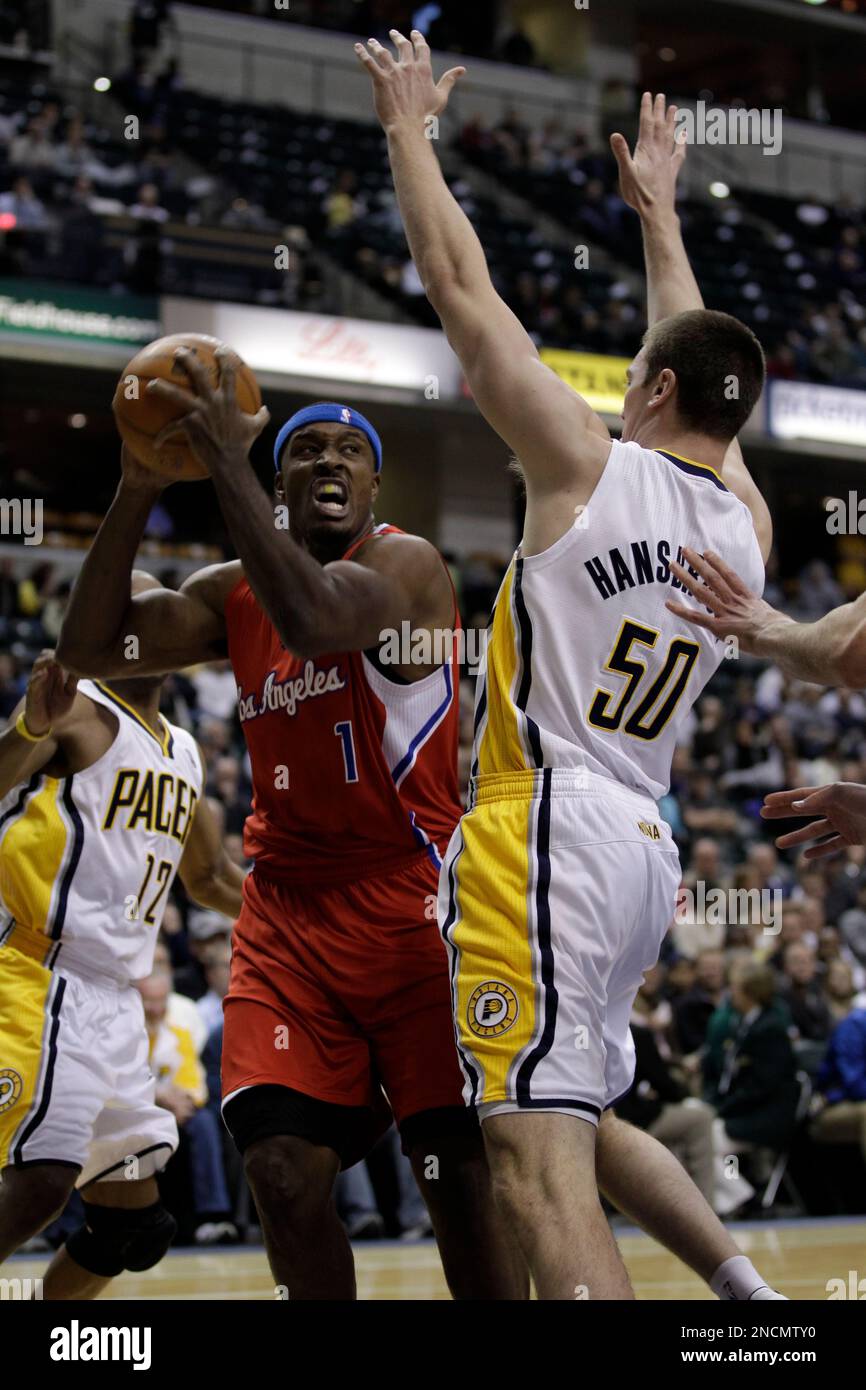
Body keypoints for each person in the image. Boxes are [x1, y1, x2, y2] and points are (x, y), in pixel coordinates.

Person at [356, 38, 783, 1299]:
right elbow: (695, 355)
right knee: (577, 1118)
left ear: (645, 389)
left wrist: (406, 134)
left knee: (531, 1169)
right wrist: (657, 218)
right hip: (638, 845)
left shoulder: (581, 462)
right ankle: (742, 1297)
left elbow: (455, 281)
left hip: (537, 824)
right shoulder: (747, 525)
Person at [56, 427, 524, 1301]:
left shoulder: (408, 566)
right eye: (306, 450)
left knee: (454, 1177)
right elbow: (87, 650)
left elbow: (313, 621)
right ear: (279, 483)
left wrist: (225, 464)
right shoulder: (231, 595)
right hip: (288, 916)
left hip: (411, 900)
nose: (329, 463)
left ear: (376, 482)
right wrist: (136, 485)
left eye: (350, 452)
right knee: (277, 1168)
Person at [0, 576, 245, 1298]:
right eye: (120, 610)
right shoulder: (72, 706)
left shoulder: (186, 752)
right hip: (39, 975)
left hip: (113, 1003)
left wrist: (309, 906)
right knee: (41, 1181)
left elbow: (210, 880)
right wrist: (28, 730)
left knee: (132, 1229)